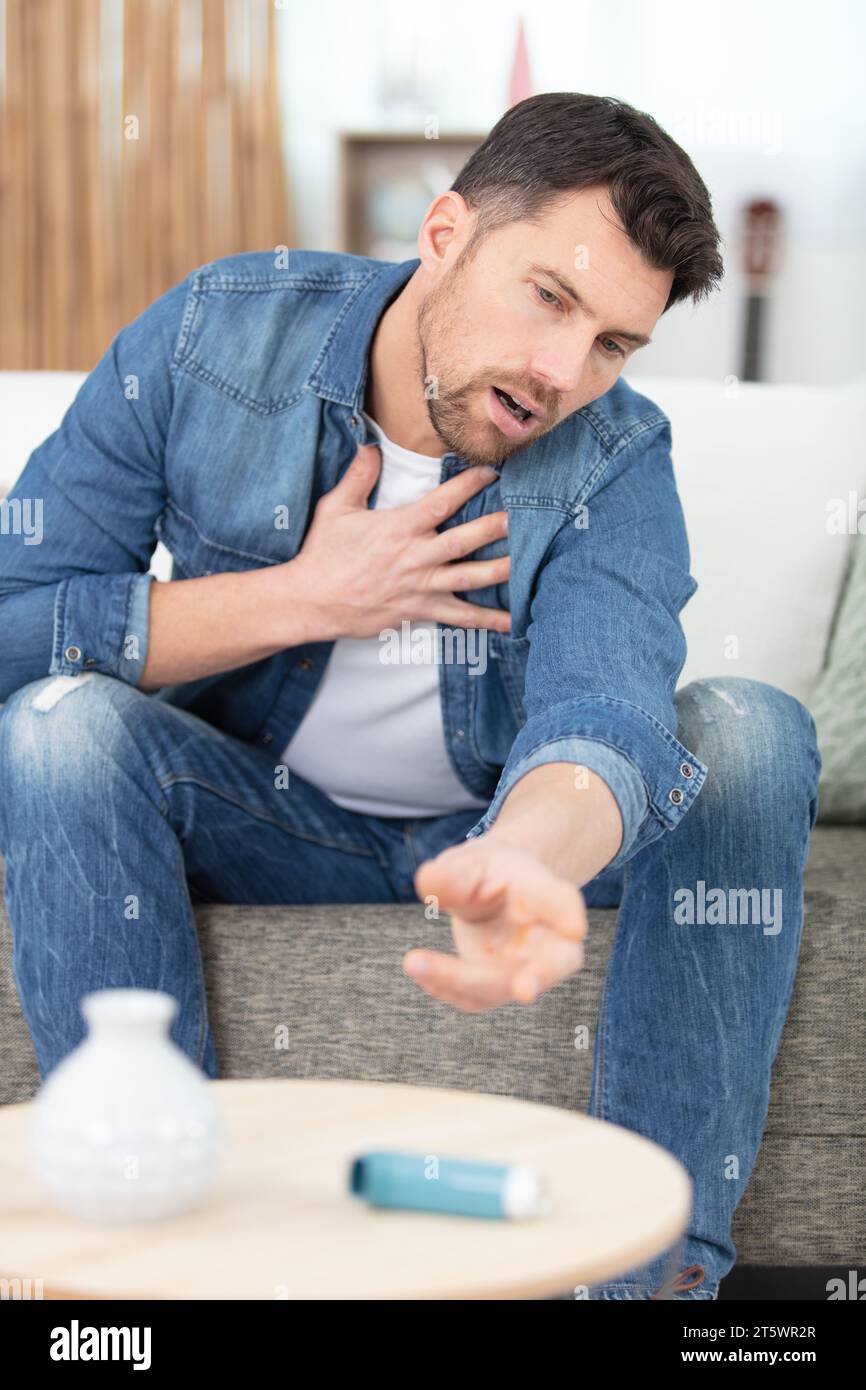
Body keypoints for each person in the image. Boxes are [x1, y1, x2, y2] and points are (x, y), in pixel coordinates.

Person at [0, 93, 820, 1299]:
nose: (560, 374)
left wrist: (531, 856)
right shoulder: (214, 340)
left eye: (611, 344)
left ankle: (647, 1284)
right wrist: (305, 596)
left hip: (496, 838)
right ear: (444, 233)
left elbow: (606, 710)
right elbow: (19, 628)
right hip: (261, 825)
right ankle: (147, 1268)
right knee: (56, 729)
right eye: (549, 297)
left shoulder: (613, 458)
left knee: (750, 729)